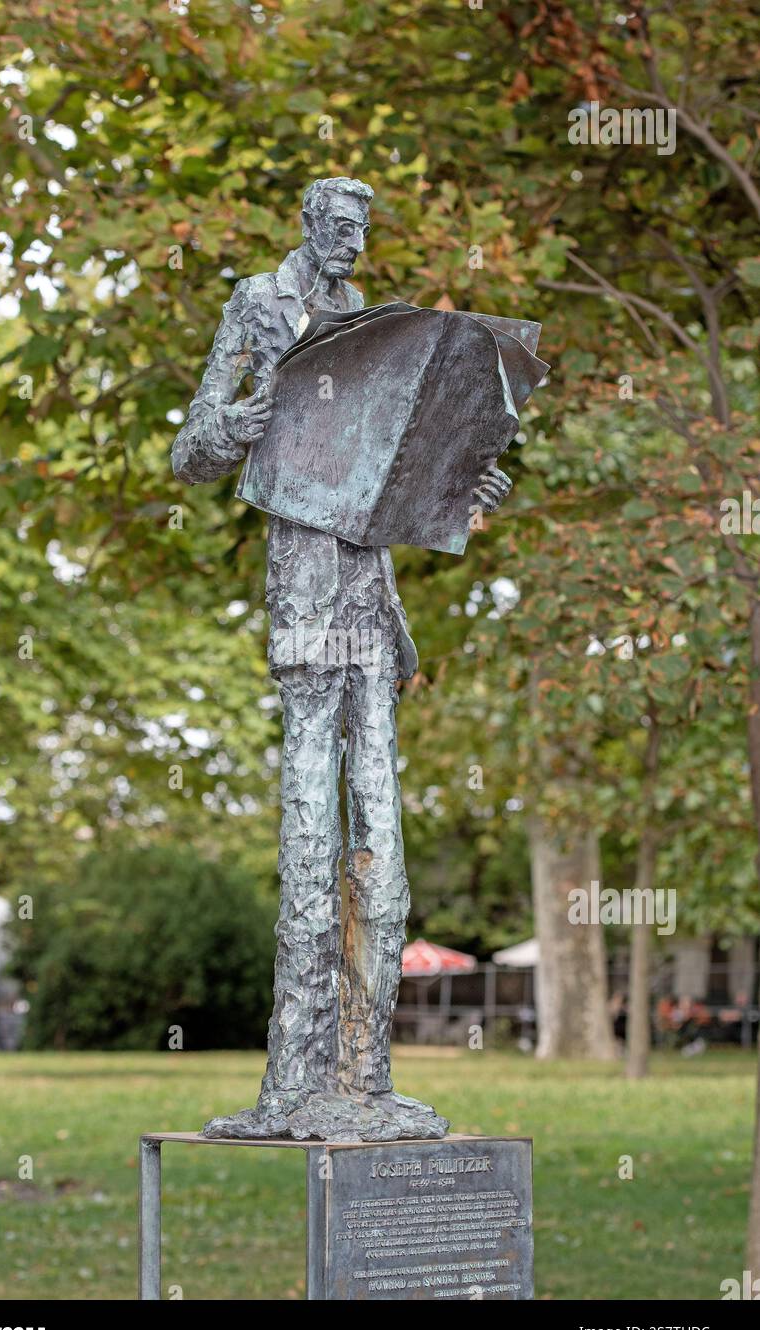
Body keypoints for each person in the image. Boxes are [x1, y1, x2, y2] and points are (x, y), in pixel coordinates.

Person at [173, 177, 511, 1140]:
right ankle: (290, 1085)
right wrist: (231, 425)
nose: (353, 243)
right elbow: (190, 449)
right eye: (341, 227)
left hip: (372, 605)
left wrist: (464, 482)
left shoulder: (380, 328)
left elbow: (397, 478)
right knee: (310, 834)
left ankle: (365, 1077)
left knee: (384, 841)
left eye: (365, 230)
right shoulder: (259, 303)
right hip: (305, 594)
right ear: (310, 225)